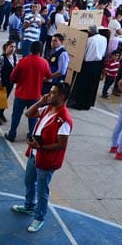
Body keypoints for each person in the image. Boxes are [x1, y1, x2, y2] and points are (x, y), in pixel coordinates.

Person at [10, 82, 73, 233]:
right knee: (29, 182)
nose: (49, 94)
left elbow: (61, 145)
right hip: (35, 155)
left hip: (46, 160)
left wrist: (41, 147)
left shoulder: (64, 119)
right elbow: (28, 114)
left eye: (53, 93)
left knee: (42, 190)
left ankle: (39, 217)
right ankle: (29, 206)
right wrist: (41, 101)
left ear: (61, 97)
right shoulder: (47, 109)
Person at [5, 41, 50, 142]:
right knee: (33, 116)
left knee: (16, 115)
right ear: (41, 51)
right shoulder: (44, 62)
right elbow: (48, 76)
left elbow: (12, 77)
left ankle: (12, 134)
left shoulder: (23, 61)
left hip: (21, 93)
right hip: (35, 94)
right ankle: (31, 135)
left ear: (30, 49)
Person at [70, 25, 107, 110]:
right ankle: (87, 104)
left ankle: (79, 104)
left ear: (90, 32)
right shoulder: (104, 39)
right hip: (98, 63)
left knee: (83, 84)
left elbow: (84, 53)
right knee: (92, 85)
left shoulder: (89, 40)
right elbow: (104, 52)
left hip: (87, 64)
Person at [0, 41, 18, 124]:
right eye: (11, 46)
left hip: (10, 82)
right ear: (6, 47)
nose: (13, 48)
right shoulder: (2, 57)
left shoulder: (15, 57)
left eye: (14, 47)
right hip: (2, 81)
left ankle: (1, 113)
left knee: (5, 99)